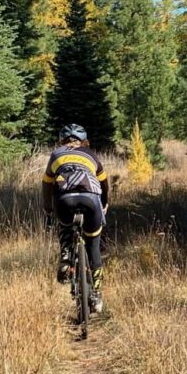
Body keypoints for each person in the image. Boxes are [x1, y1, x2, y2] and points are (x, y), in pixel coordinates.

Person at [41, 124, 110, 313]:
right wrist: (104, 204)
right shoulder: (91, 155)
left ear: (62, 140)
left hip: (65, 201)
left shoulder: (56, 155)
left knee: (64, 225)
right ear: (83, 140)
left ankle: (65, 256)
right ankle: (95, 294)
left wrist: (48, 210)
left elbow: (46, 185)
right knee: (93, 246)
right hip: (91, 201)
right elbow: (104, 184)